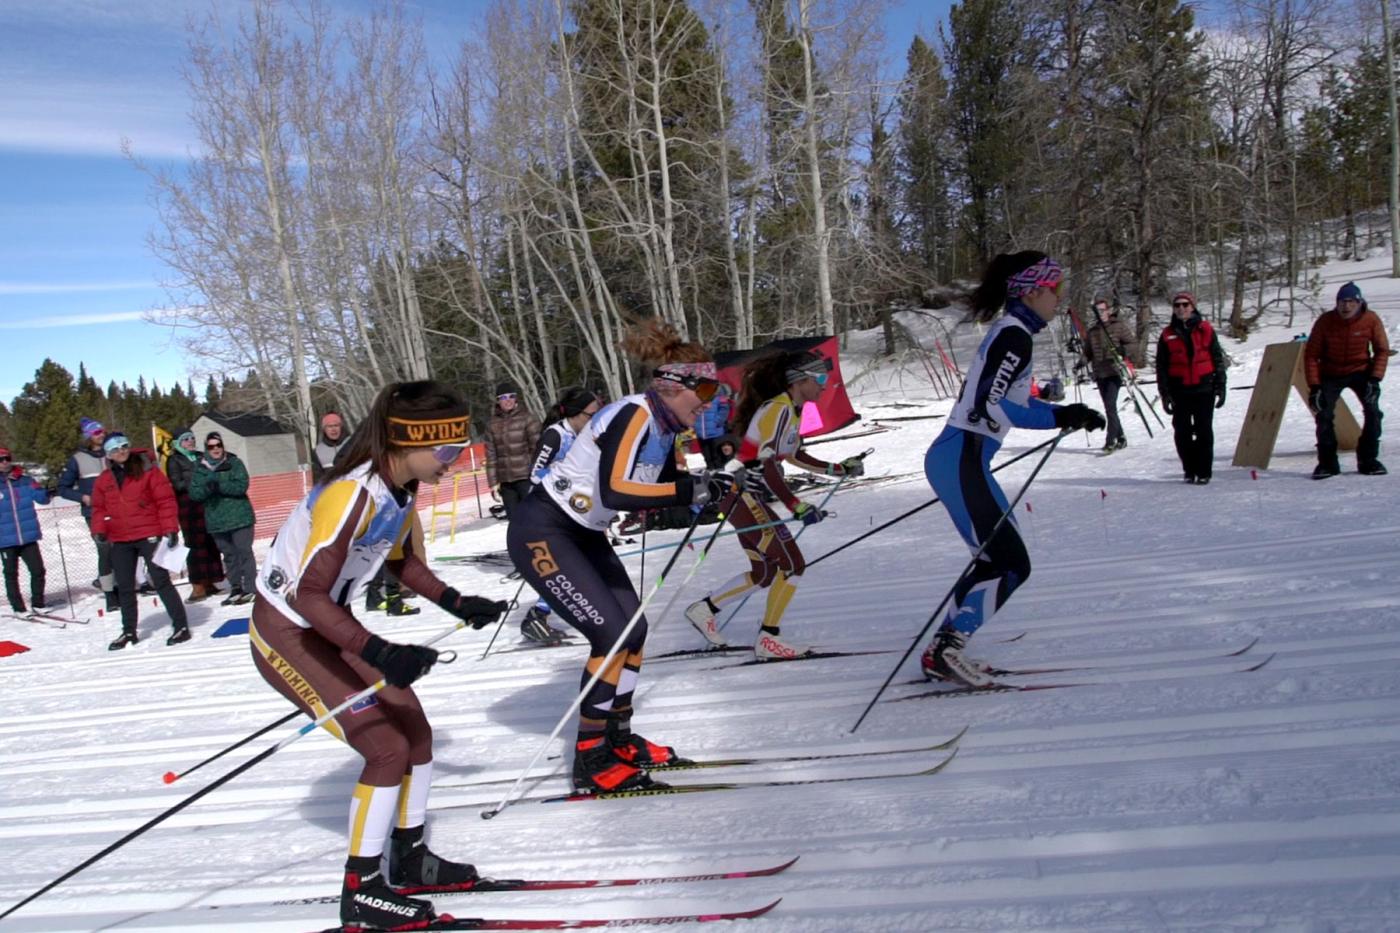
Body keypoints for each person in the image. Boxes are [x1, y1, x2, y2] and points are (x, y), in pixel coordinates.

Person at [250, 380, 507, 930]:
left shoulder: (399, 490)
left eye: (458, 448)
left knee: (415, 729)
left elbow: (400, 561)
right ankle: (362, 890)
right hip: (287, 632)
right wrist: (380, 651)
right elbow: (306, 595)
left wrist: (458, 602)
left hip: (328, 623)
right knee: (386, 748)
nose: (452, 462)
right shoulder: (352, 495)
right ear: (406, 443)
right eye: (445, 450)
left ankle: (409, 860)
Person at [507, 319, 738, 793]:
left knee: (634, 630)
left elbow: (657, 487)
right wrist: (692, 490)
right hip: (544, 531)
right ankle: (590, 757)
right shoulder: (635, 414)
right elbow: (616, 492)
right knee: (611, 635)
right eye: (705, 389)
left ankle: (619, 736)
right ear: (673, 386)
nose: (709, 401)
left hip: (583, 533)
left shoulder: (666, 427)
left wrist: (714, 484)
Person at [920, 252, 1105, 687]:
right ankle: (947, 649)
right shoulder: (1014, 336)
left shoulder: (1014, 333)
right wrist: (1059, 417)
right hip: (962, 458)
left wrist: (1063, 412)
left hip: (960, 458)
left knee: (995, 562)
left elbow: (1010, 400)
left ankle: (943, 649)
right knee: (1011, 565)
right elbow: (994, 405)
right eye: (1056, 289)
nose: (1059, 298)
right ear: (1034, 290)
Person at [683, 350, 867, 660]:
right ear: (800, 380)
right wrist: (795, 505)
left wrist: (839, 469)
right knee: (792, 564)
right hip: (740, 493)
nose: (824, 385)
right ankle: (769, 638)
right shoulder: (777, 409)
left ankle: (705, 610)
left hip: (745, 496)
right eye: (819, 378)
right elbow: (766, 465)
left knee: (765, 571)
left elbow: (793, 455)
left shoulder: (792, 409)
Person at [516, 386, 601, 645]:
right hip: (546, 510)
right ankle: (536, 617)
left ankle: (540, 615)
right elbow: (534, 473)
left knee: (581, 564)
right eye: (591, 415)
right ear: (576, 413)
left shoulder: (584, 435)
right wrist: (563, 482)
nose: (595, 420)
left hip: (572, 510)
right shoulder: (555, 435)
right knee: (564, 566)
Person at [89, 432, 189, 649]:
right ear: (108, 454)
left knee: (160, 581)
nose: (121, 451)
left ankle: (181, 626)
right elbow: (98, 508)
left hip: (148, 532)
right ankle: (128, 631)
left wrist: (170, 528)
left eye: (124, 446)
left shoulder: (147, 471)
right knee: (125, 586)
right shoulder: (104, 479)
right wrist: (99, 529)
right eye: (115, 449)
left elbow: (165, 500)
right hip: (121, 538)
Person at [1305, 281, 1390, 478]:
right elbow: (1311, 355)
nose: (1346, 306)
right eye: (1342, 301)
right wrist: (1315, 386)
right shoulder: (1325, 321)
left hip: (1361, 371)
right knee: (1323, 415)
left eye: (1351, 302)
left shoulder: (1371, 320)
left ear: (1359, 303)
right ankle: (1327, 464)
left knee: (1373, 413)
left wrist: (1375, 379)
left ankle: (1368, 460)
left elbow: (1382, 350)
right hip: (1331, 372)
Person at [1155, 291, 1227, 484]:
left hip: (1204, 387)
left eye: (1185, 305)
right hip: (1180, 389)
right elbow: (1161, 366)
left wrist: (1221, 385)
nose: (1181, 308)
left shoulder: (1205, 329)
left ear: (1192, 307)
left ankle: (1204, 471)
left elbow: (1217, 358)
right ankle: (1190, 469)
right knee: (1182, 432)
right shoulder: (1167, 334)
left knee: (1204, 431)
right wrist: (1164, 394)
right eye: (1177, 305)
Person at [56, 417, 118, 612]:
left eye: (103, 431)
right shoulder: (78, 459)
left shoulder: (112, 453)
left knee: (120, 549)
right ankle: (110, 594)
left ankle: (122, 587)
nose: (102, 435)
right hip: (94, 512)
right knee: (105, 551)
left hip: (118, 509)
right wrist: (83, 497)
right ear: (89, 436)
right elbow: (63, 488)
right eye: (97, 432)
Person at [189, 431, 258, 604]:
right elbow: (194, 493)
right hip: (216, 521)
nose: (216, 449)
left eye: (218, 445)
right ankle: (236, 587)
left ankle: (251, 587)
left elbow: (241, 485)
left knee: (244, 552)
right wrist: (207, 488)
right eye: (211, 446)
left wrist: (220, 485)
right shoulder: (200, 468)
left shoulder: (234, 463)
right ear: (206, 448)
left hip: (240, 517)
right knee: (229, 555)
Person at [165, 429, 225, 602]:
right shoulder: (174, 460)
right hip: (189, 506)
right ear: (178, 443)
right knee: (194, 545)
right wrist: (199, 482)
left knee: (210, 542)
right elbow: (178, 484)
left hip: (206, 503)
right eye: (186, 439)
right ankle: (197, 584)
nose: (190, 441)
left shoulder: (201, 456)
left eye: (192, 438)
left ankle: (211, 581)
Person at [0, 448, 49, 614]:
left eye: (7, 458)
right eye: (1, 459)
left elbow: (42, 499)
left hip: (28, 536)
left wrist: (46, 492)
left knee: (38, 570)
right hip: (5, 539)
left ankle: (38, 604)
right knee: (11, 573)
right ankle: (18, 608)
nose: (4, 462)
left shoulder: (25, 480)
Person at [1085, 298, 1137, 451]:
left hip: (1115, 371)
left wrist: (1123, 350)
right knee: (1110, 408)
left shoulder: (1118, 326)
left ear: (1108, 311)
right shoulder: (1092, 331)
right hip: (1100, 374)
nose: (1100, 313)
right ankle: (1121, 437)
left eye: (1102, 310)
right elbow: (1088, 353)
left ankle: (1111, 440)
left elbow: (1133, 344)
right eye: (1097, 311)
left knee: (1110, 406)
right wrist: (1081, 363)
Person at [485, 382, 542, 518]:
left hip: (526, 478)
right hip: (506, 482)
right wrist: (493, 483)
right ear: (498, 401)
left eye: (511, 396)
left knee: (534, 518)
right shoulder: (492, 424)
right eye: (503, 397)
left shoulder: (528, 418)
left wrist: (536, 474)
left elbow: (538, 449)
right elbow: (491, 456)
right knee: (514, 522)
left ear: (516, 398)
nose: (508, 400)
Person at [695, 383, 735, 467]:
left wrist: (717, 422)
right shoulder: (696, 394)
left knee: (717, 455)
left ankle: (721, 470)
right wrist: (694, 425)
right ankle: (711, 471)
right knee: (707, 457)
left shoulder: (718, 392)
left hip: (716, 432)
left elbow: (724, 408)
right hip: (701, 433)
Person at [311, 411, 348, 483]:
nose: (333, 429)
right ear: (324, 429)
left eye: (336, 425)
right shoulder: (318, 452)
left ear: (341, 427)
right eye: (330, 426)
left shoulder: (352, 444)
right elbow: (318, 480)